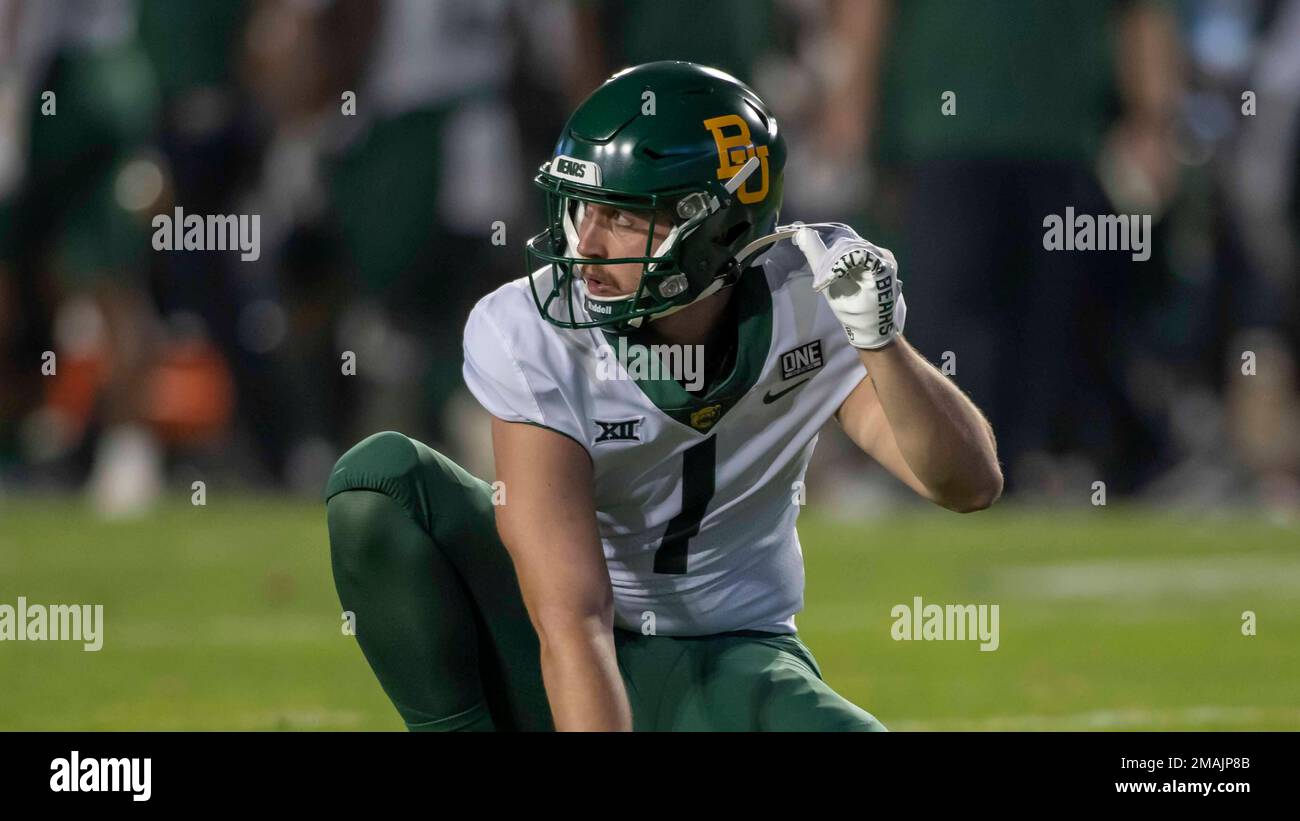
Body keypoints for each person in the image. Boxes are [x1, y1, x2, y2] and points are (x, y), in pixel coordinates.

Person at [324, 62, 1002, 731]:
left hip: (728, 656)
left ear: (718, 227)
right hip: (552, 646)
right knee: (377, 486)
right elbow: (571, 618)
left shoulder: (813, 296)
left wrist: (882, 343)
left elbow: (967, 483)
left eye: (621, 216)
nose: (584, 242)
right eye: (581, 206)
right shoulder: (533, 331)